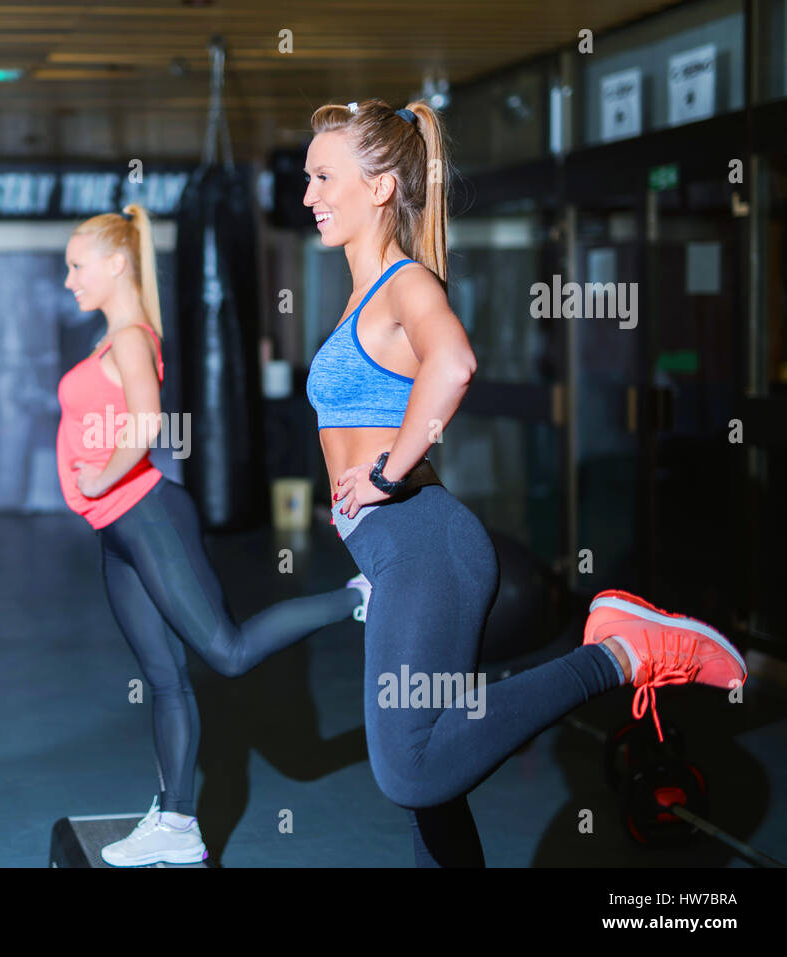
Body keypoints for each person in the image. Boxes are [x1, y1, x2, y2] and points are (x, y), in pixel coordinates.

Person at [303, 98, 747, 866]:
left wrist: (387, 469)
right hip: (396, 552)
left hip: (425, 545)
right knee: (435, 796)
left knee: (408, 766)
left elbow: (456, 364)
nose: (308, 195)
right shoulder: (358, 297)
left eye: (322, 176)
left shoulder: (406, 285)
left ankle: (621, 654)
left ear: (378, 188)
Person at [57, 203, 364, 866]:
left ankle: (358, 596)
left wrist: (96, 474)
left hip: (147, 516)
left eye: (78, 267)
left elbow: (145, 425)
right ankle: (176, 821)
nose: (69, 280)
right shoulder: (113, 338)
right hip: (117, 530)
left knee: (225, 653)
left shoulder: (133, 337)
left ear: (116, 264)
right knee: (165, 677)